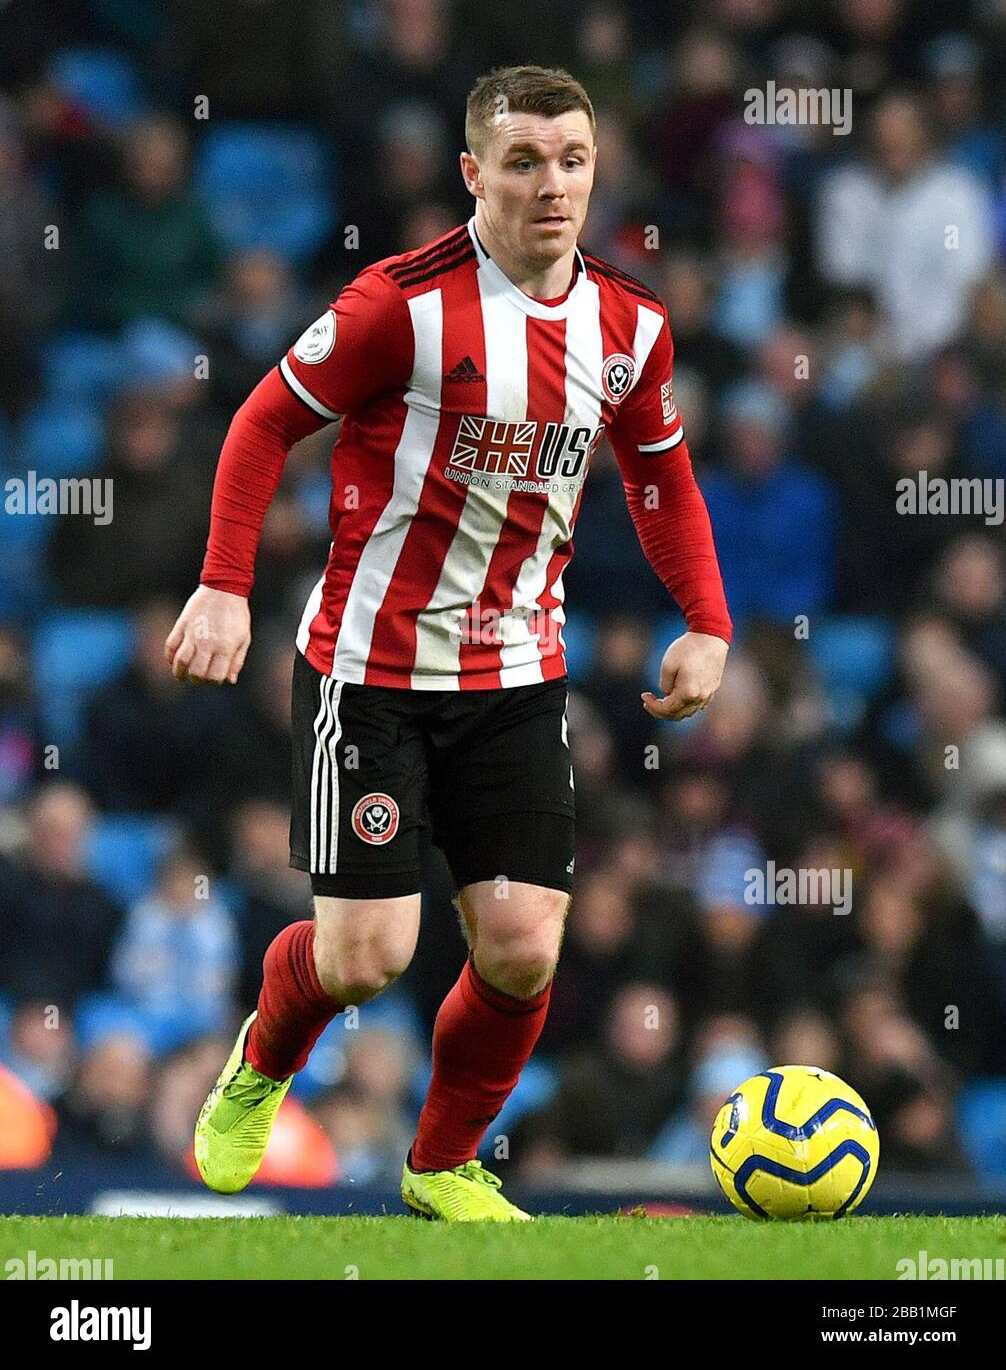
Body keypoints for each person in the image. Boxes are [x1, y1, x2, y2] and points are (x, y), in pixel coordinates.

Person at [166, 65, 732, 1221]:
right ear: (473, 174)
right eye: (523, 162)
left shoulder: (630, 327)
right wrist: (224, 587)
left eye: (572, 161)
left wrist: (709, 622)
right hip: (369, 673)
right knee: (368, 955)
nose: (552, 185)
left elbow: (660, 473)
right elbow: (265, 419)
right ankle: (263, 1061)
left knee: (524, 947)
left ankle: (441, 1165)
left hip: (519, 674)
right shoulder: (400, 305)